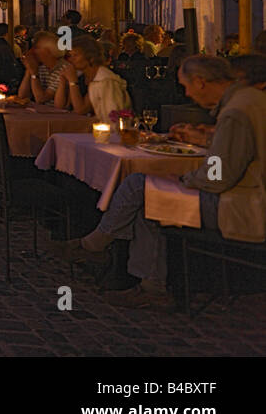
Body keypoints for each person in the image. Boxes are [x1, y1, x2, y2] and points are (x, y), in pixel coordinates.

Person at [59, 55, 266, 308]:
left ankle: (95, 245)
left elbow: (218, 177)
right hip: (245, 197)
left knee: (139, 185)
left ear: (200, 82)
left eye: (186, 86)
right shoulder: (249, 100)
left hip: (242, 206)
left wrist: (183, 179)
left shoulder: (236, 111)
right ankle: (150, 286)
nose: (187, 94)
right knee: (149, 197)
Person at [63, 35, 130, 118]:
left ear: (91, 58)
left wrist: (72, 81)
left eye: (75, 55)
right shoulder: (86, 77)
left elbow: (81, 109)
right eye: (70, 55)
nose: (71, 59)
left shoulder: (106, 81)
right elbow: (66, 106)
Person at [17, 31, 71, 107]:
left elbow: (41, 99)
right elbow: (22, 96)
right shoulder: (41, 67)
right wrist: (29, 70)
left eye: (37, 48)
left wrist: (34, 73)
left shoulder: (64, 69)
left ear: (48, 52)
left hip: (58, 116)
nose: (32, 51)